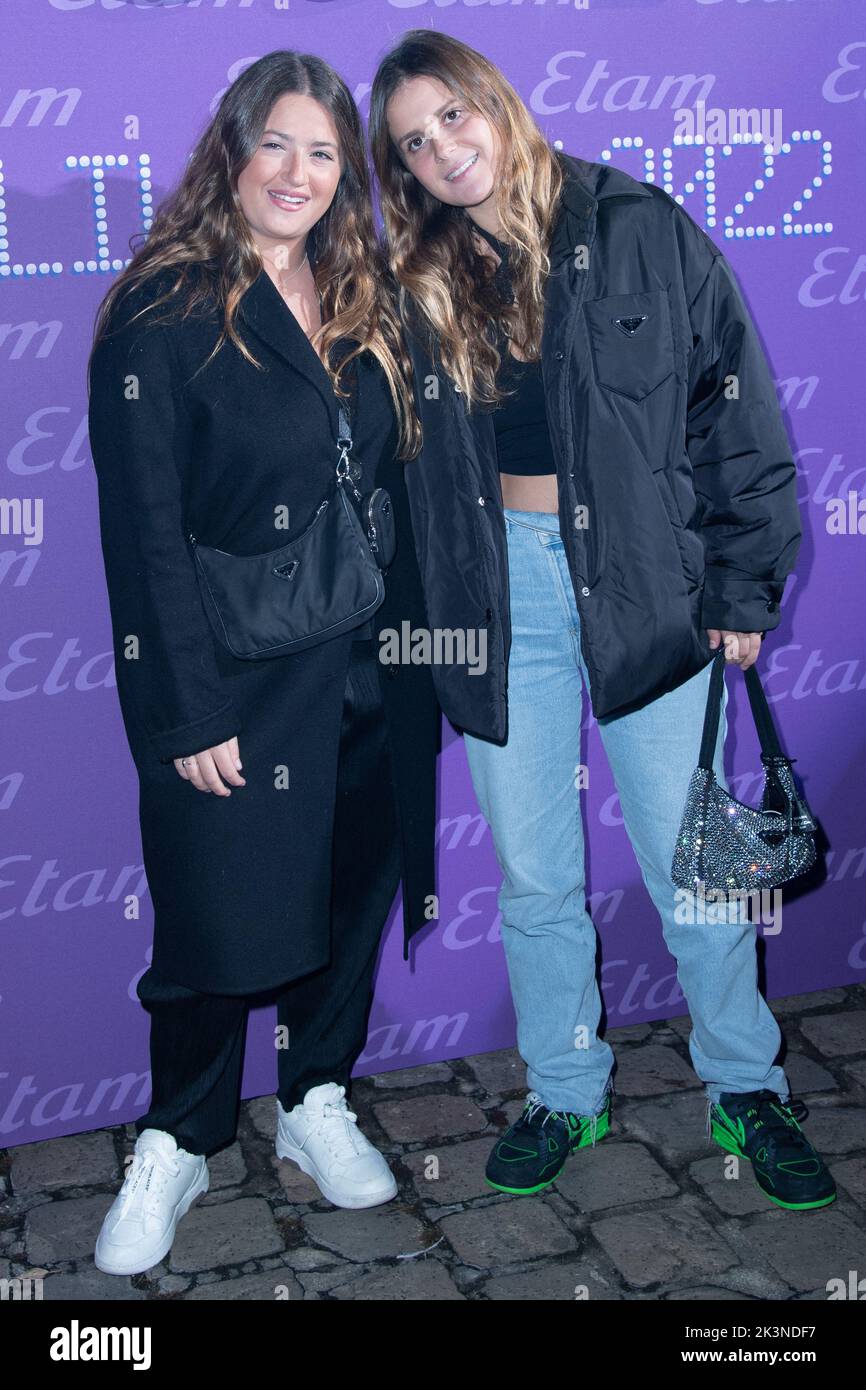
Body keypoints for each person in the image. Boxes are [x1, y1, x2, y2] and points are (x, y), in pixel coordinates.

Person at [368, 29, 836, 1211]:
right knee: (532, 875)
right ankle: (564, 1091)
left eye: (451, 118)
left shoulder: (638, 223)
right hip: (498, 596)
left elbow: (733, 407)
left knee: (700, 871)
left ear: (495, 102)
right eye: (413, 145)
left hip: (645, 584)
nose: (441, 153)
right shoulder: (418, 276)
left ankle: (746, 1083)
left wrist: (741, 586)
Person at [86, 49, 440, 1277]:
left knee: (348, 896)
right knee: (210, 923)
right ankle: (178, 1136)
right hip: (235, 677)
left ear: (349, 173)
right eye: (276, 144)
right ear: (230, 153)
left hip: (375, 659)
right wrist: (182, 710)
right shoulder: (160, 308)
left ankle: (313, 1097)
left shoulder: (372, 293)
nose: (298, 172)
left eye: (324, 152)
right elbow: (142, 536)